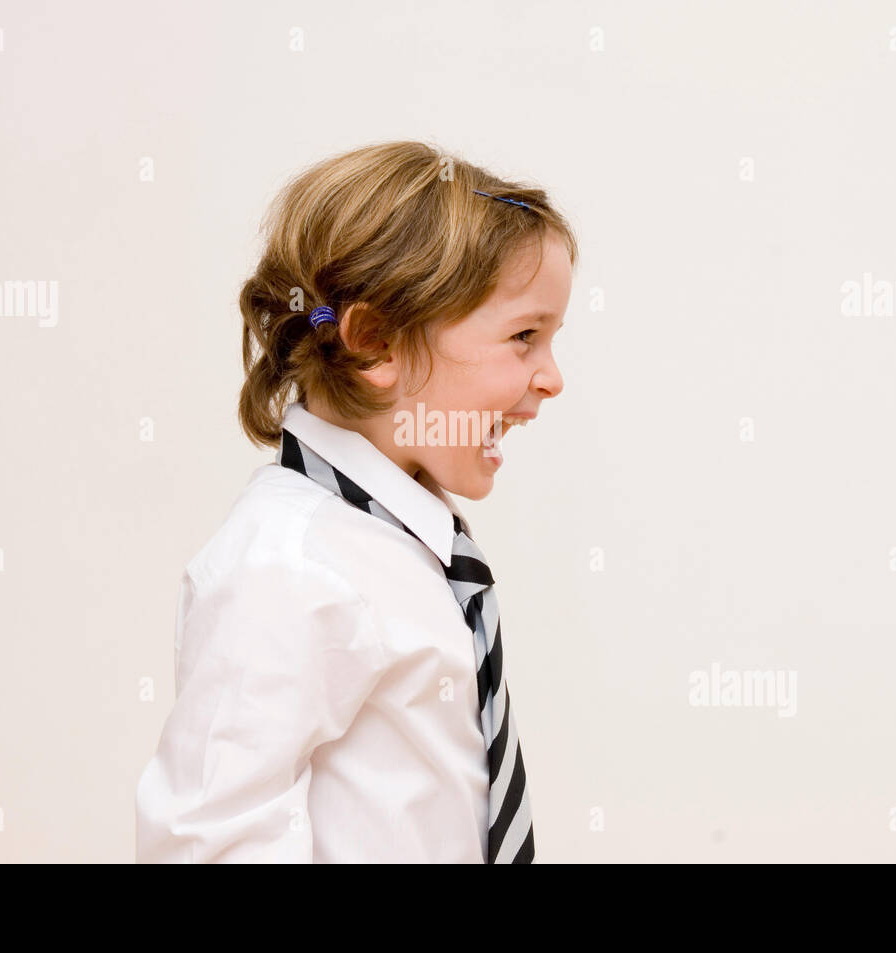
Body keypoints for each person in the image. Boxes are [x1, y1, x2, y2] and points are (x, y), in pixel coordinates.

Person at [135, 140, 577, 862]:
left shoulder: (404, 544)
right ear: (377, 344)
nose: (551, 377)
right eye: (524, 336)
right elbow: (208, 841)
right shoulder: (288, 566)